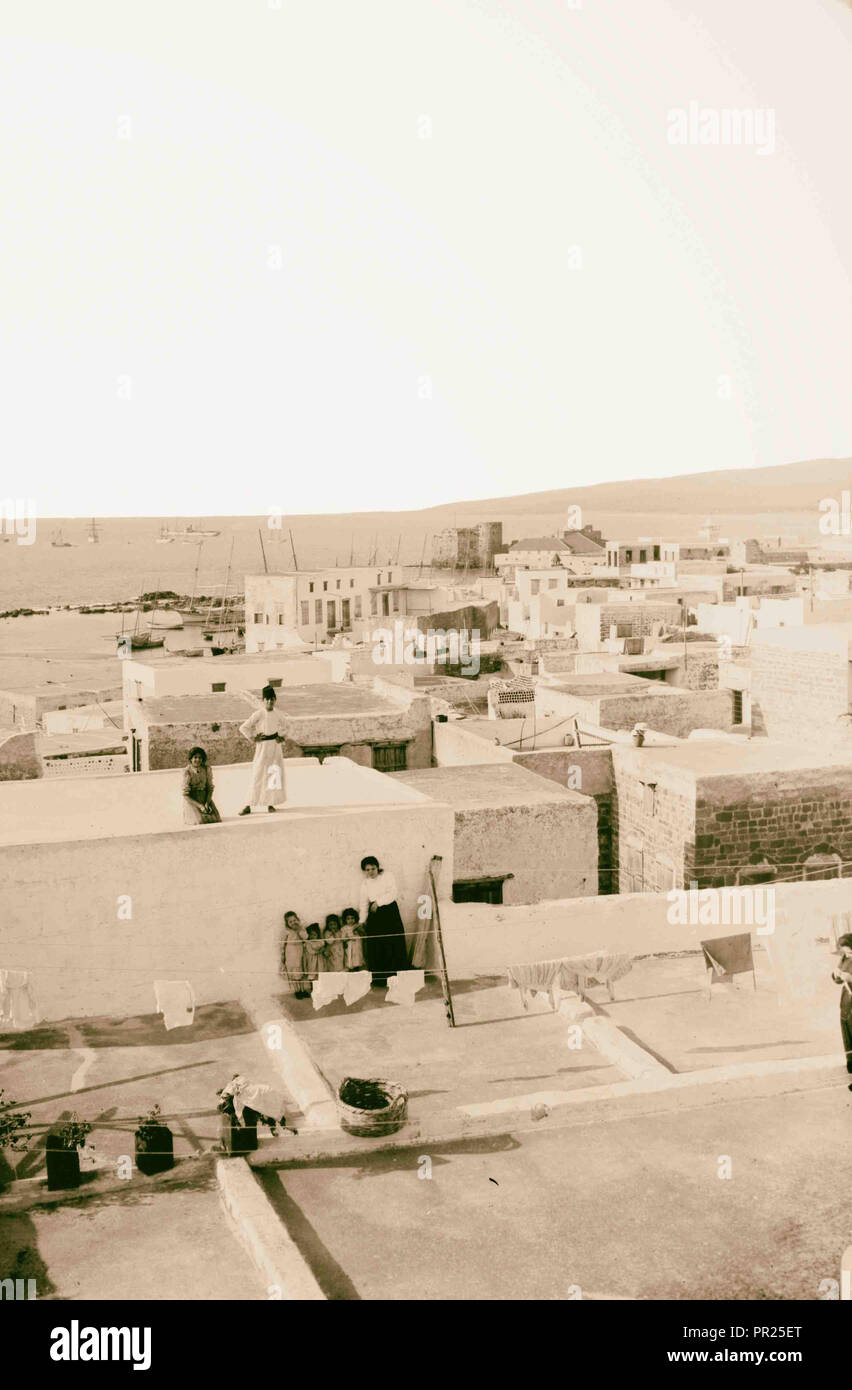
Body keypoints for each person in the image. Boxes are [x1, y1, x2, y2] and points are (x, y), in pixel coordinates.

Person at [358, 856, 410, 987]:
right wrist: (362, 920)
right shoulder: (365, 883)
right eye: (367, 869)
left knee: (393, 943)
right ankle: (380, 980)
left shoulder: (387, 876)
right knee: (377, 945)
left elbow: (393, 893)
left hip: (390, 913)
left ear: (377, 867)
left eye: (373, 868)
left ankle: (397, 978)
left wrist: (378, 902)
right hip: (375, 916)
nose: (371, 872)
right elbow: (363, 903)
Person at [238, 686, 287, 815]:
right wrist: (254, 738)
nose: (270, 702)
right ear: (263, 700)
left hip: (275, 748)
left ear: (275, 700)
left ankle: (270, 804)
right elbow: (244, 727)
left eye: (272, 699)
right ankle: (248, 805)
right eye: (267, 699)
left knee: (272, 775)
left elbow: (288, 726)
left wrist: (282, 737)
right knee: (257, 775)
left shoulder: (278, 714)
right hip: (263, 747)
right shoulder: (259, 714)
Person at [832, 932, 852, 1089]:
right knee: (848, 1036)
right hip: (846, 1003)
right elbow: (838, 979)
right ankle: (851, 1064)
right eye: (845, 951)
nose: (847, 954)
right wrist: (836, 975)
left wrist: (850, 978)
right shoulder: (845, 959)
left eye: (850, 951)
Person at [182, 747, 221, 825]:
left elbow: (210, 788)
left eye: (200, 758)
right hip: (192, 801)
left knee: (216, 819)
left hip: (204, 798)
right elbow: (185, 795)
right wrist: (200, 806)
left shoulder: (206, 769)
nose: (198, 760)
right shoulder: (187, 771)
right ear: (191, 759)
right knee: (200, 820)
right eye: (195, 757)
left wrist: (207, 803)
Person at [281, 910, 310, 998]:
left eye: (294, 920)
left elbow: (306, 938)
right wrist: (282, 954)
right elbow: (282, 943)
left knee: (301, 972)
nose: (293, 923)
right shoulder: (287, 932)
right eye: (290, 922)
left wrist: (299, 930)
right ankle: (297, 991)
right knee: (294, 973)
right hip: (291, 954)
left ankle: (303, 989)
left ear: (298, 920)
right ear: (287, 924)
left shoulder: (301, 929)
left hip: (299, 953)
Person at [303, 924, 327, 991]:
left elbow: (323, 947)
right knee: (312, 974)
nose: (312, 936)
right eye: (310, 935)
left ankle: (320, 988)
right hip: (312, 961)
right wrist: (319, 951)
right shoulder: (308, 943)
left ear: (317, 934)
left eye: (314, 935)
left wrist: (322, 949)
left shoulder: (320, 941)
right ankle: (313, 988)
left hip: (319, 960)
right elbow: (311, 951)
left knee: (319, 974)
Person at [341, 907, 365, 971]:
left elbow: (363, 935)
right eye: (348, 919)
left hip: (357, 946)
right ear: (345, 920)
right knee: (350, 961)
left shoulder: (357, 926)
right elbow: (343, 939)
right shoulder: (344, 928)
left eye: (352, 918)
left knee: (357, 959)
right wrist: (349, 938)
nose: (350, 920)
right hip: (350, 947)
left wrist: (359, 931)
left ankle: (357, 969)